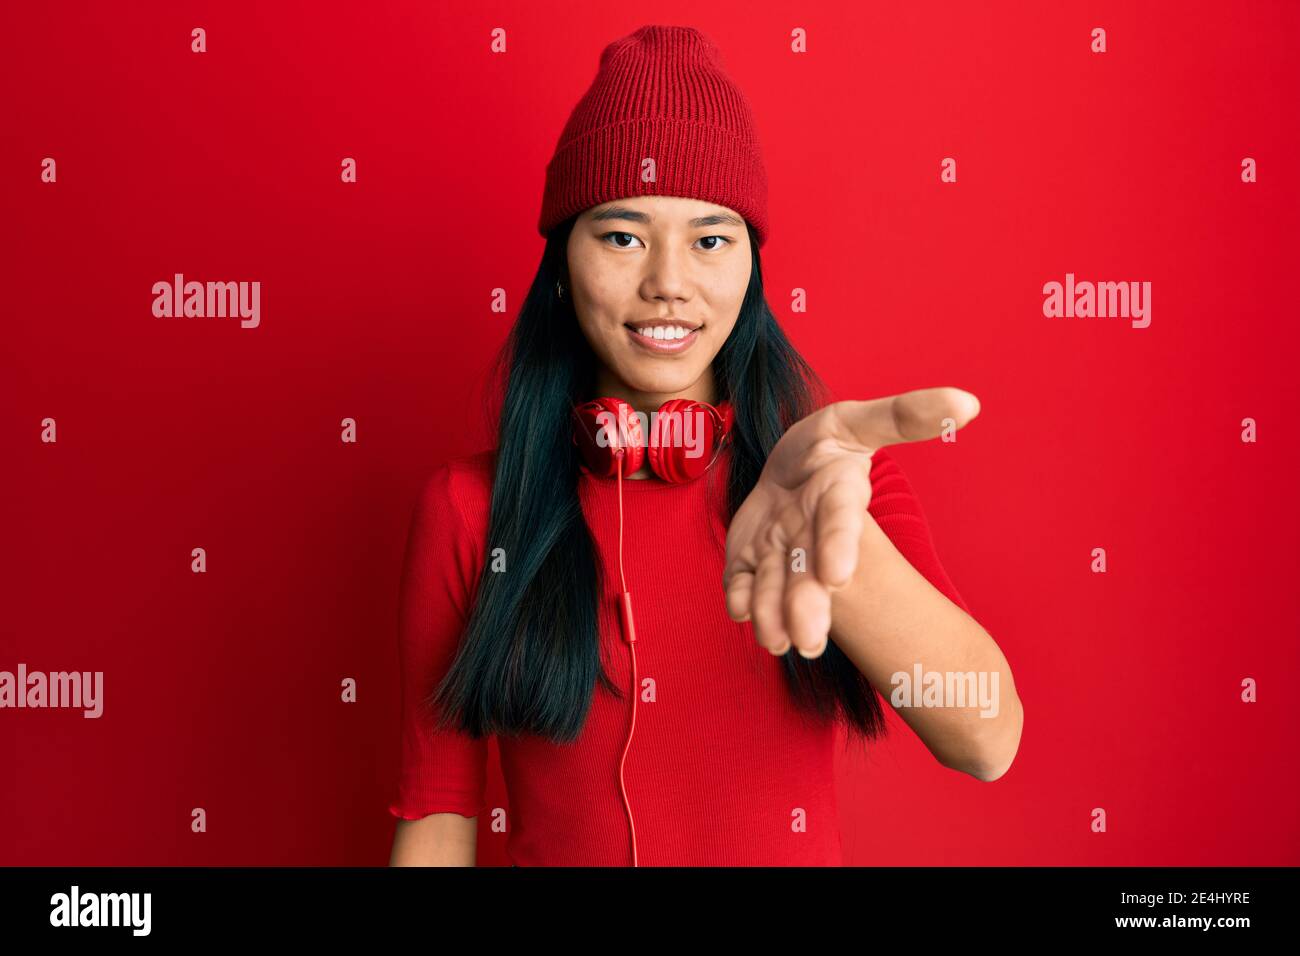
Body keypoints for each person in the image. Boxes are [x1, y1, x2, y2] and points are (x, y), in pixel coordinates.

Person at [388, 24, 1022, 867]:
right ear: (561, 261)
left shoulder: (840, 494)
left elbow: (986, 741)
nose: (669, 282)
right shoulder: (469, 512)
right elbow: (438, 819)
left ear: (750, 268)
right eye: (622, 236)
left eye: (711, 239)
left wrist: (844, 554)